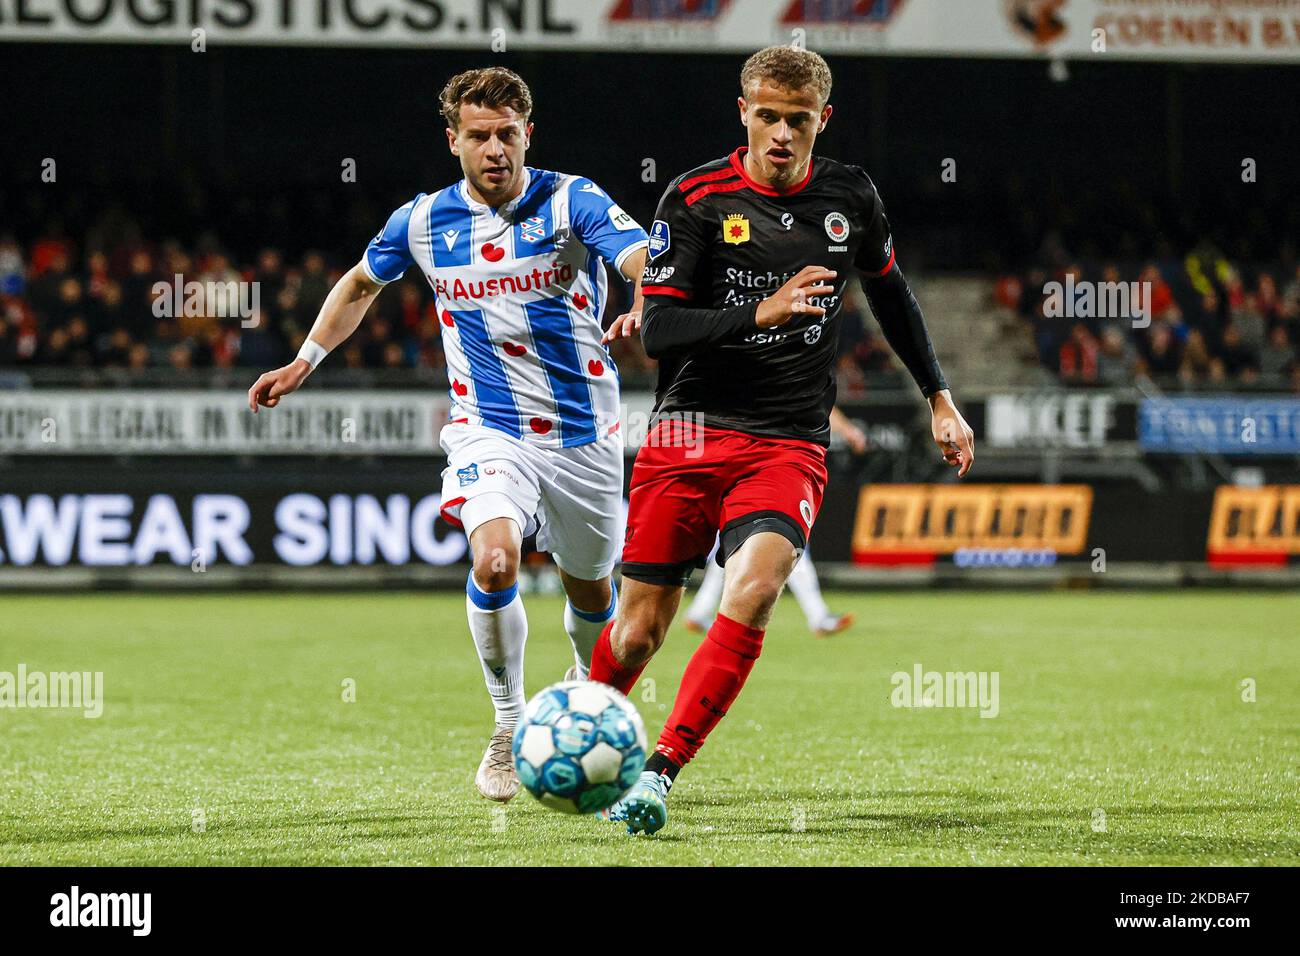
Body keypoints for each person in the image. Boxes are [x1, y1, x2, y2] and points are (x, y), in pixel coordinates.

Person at [592, 46, 975, 835]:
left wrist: (939, 397)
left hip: (786, 441)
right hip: (689, 432)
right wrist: (762, 310)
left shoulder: (850, 196)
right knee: (635, 636)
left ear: (820, 121)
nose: (779, 133)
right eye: (765, 115)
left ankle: (659, 773)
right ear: (743, 112)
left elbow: (893, 295)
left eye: (796, 120)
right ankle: (582, 727)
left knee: (759, 587)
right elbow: (659, 329)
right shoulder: (695, 197)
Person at [247, 67, 649, 803]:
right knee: (495, 561)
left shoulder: (572, 199)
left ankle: (584, 694)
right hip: (487, 428)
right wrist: (305, 360)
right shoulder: (422, 221)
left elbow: (637, 255)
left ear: (529, 133)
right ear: (453, 141)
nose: (495, 149)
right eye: (479, 136)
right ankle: (507, 725)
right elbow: (359, 285)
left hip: (585, 432)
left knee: (593, 596)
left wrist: (645, 297)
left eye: (507, 134)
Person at [682, 407, 867, 637]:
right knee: (789, 541)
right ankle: (818, 616)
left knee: (733, 543)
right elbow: (816, 398)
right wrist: (849, 431)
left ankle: (699, 610)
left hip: (744, 459)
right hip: (767, 464)